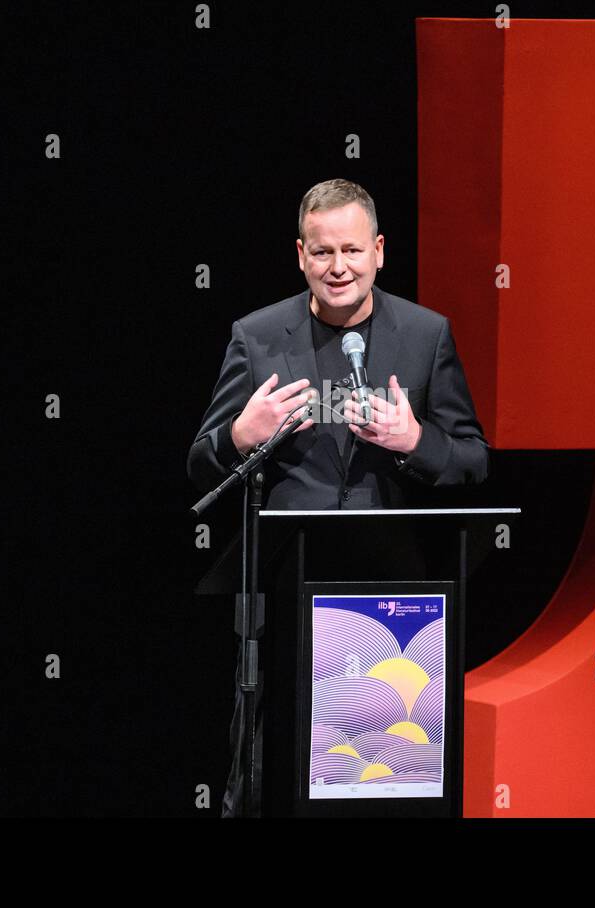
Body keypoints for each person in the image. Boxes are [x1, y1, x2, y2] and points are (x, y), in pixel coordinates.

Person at [186, 178, 490, 815]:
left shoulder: (426, 334)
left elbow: (471, 459)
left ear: (379, 250)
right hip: (288, 595)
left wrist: (414, 439)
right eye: (323, 253)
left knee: (385, 781)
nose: (339, 267)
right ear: (301, 255)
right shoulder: (259, 335)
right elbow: (200, 462)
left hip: (399, 609)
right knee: (286, 777)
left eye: (352, 250)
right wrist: (242, 436)